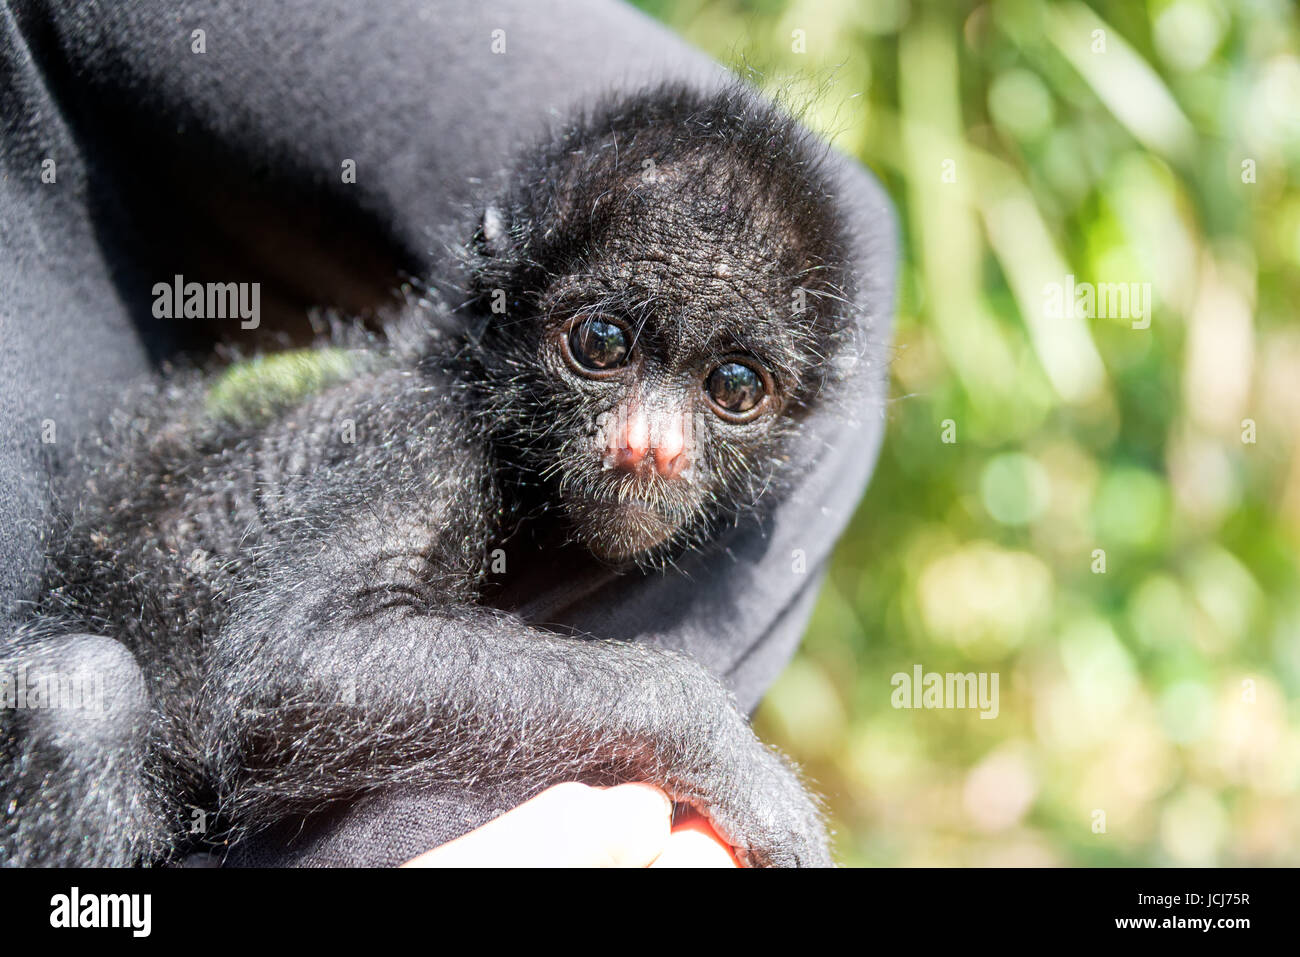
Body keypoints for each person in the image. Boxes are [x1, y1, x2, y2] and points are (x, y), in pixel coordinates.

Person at [0, 0, 894, 866]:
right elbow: (299, 675)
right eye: (601, 343)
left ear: (805, 401)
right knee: (85, 697)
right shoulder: (424, 430)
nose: (651, 440)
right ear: (497, 300)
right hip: (106, 745)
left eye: (735, 387)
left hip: (201, 762)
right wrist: (664, 711)